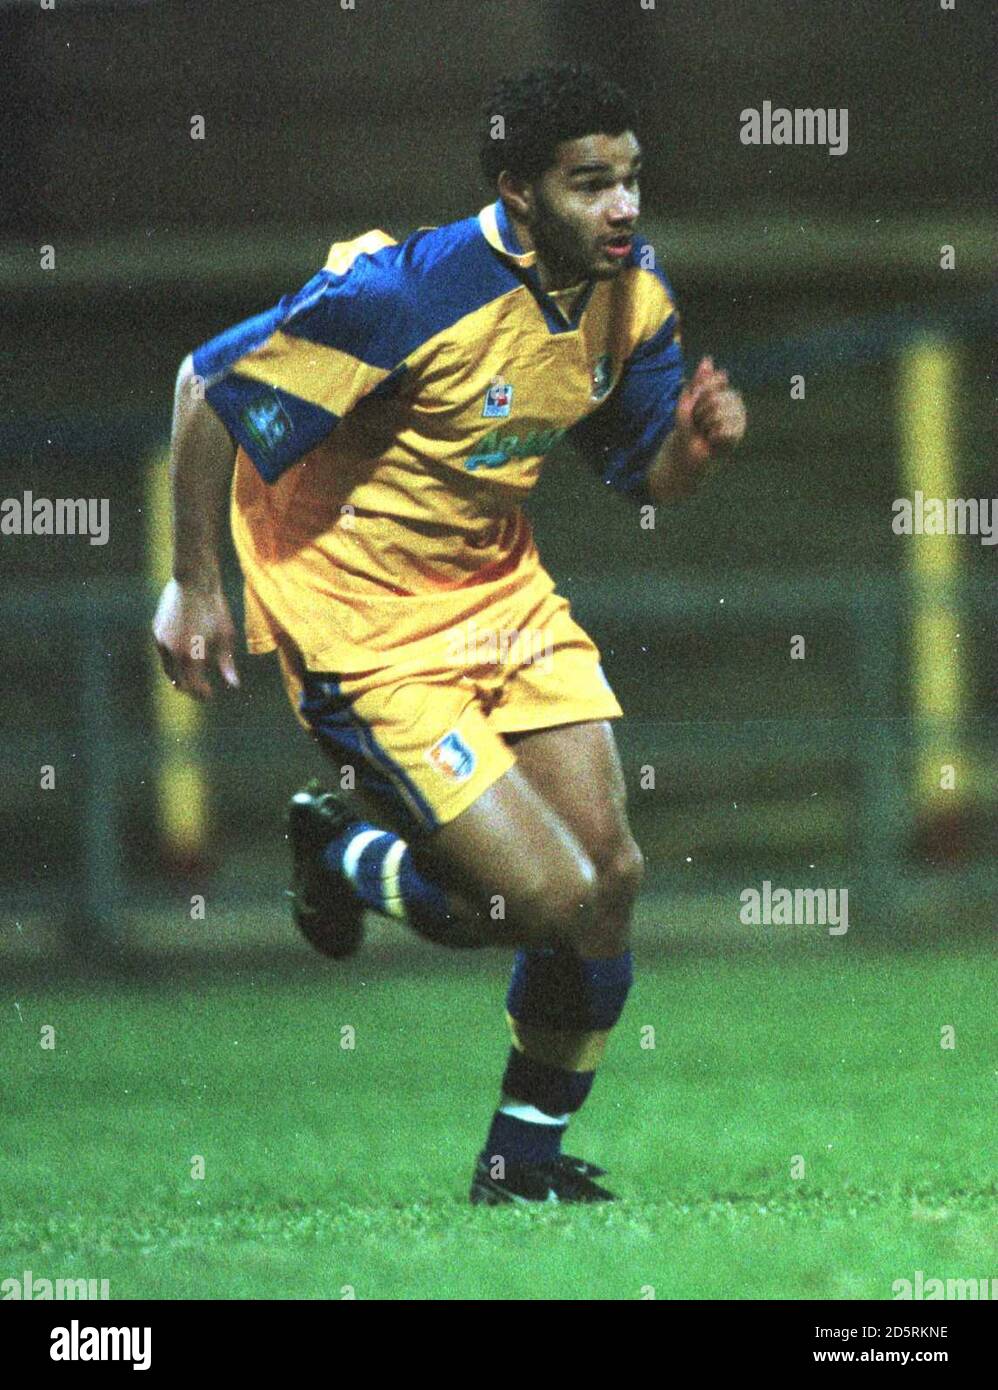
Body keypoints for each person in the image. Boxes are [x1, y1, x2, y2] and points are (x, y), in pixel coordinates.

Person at [153, 62, 746, 1204]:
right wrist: (195, 584)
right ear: (517, 192)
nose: (621, 208)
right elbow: (205, 387)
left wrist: (693, 450)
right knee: (535, 903)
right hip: (360, 624)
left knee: (606, 880)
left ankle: (517, 1169)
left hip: (496, 595)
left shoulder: (631, 291)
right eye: (589, 185)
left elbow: (640, 473)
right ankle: (349, 855)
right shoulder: (407, 296)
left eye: (629, 180)